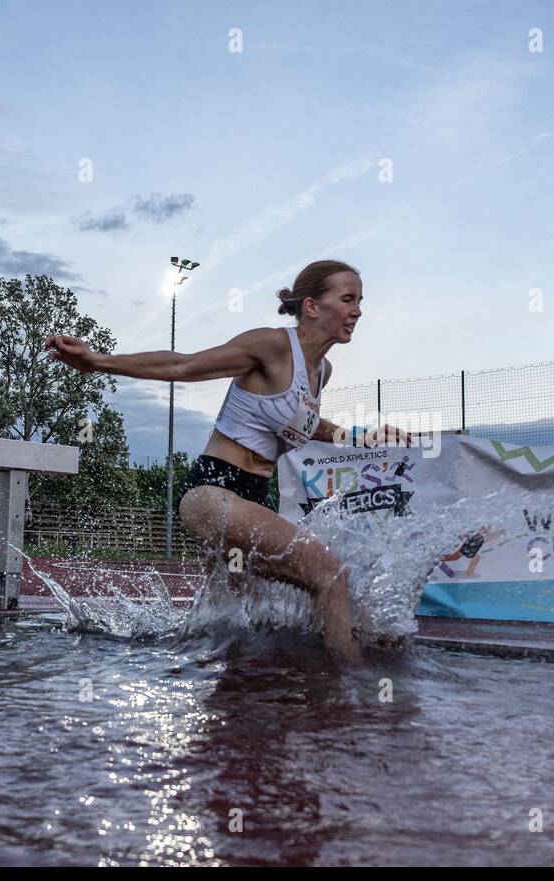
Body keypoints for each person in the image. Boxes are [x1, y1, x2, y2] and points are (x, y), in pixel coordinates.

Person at [44, 260, 413, 662]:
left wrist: (362, 437)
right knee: (330, 575)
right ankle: (352, 688)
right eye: (348, 299)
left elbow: (309, 425)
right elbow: (183, 365)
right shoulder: (271, 345)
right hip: (213, 491)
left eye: (359, 300)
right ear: (311, 305)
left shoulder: (321, 371)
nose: (357, 310)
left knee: (239, 623)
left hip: (254, 500)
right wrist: (98, 362)